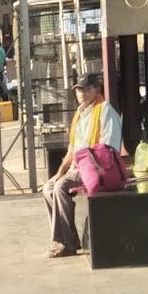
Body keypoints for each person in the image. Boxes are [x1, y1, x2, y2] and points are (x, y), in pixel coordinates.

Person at [42, 73, 122, 259]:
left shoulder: (105, 111)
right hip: (77, 168)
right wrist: (59, 172)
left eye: (86, 88)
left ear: (97, 89)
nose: (82, 93)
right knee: (49, 187)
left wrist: (84, 163)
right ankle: (67, 238)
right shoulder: (79, 114)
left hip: (96, 168)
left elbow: (109, 149)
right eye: (79, 89)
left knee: (61, 188)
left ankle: (66, 244)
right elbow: (72, 149)